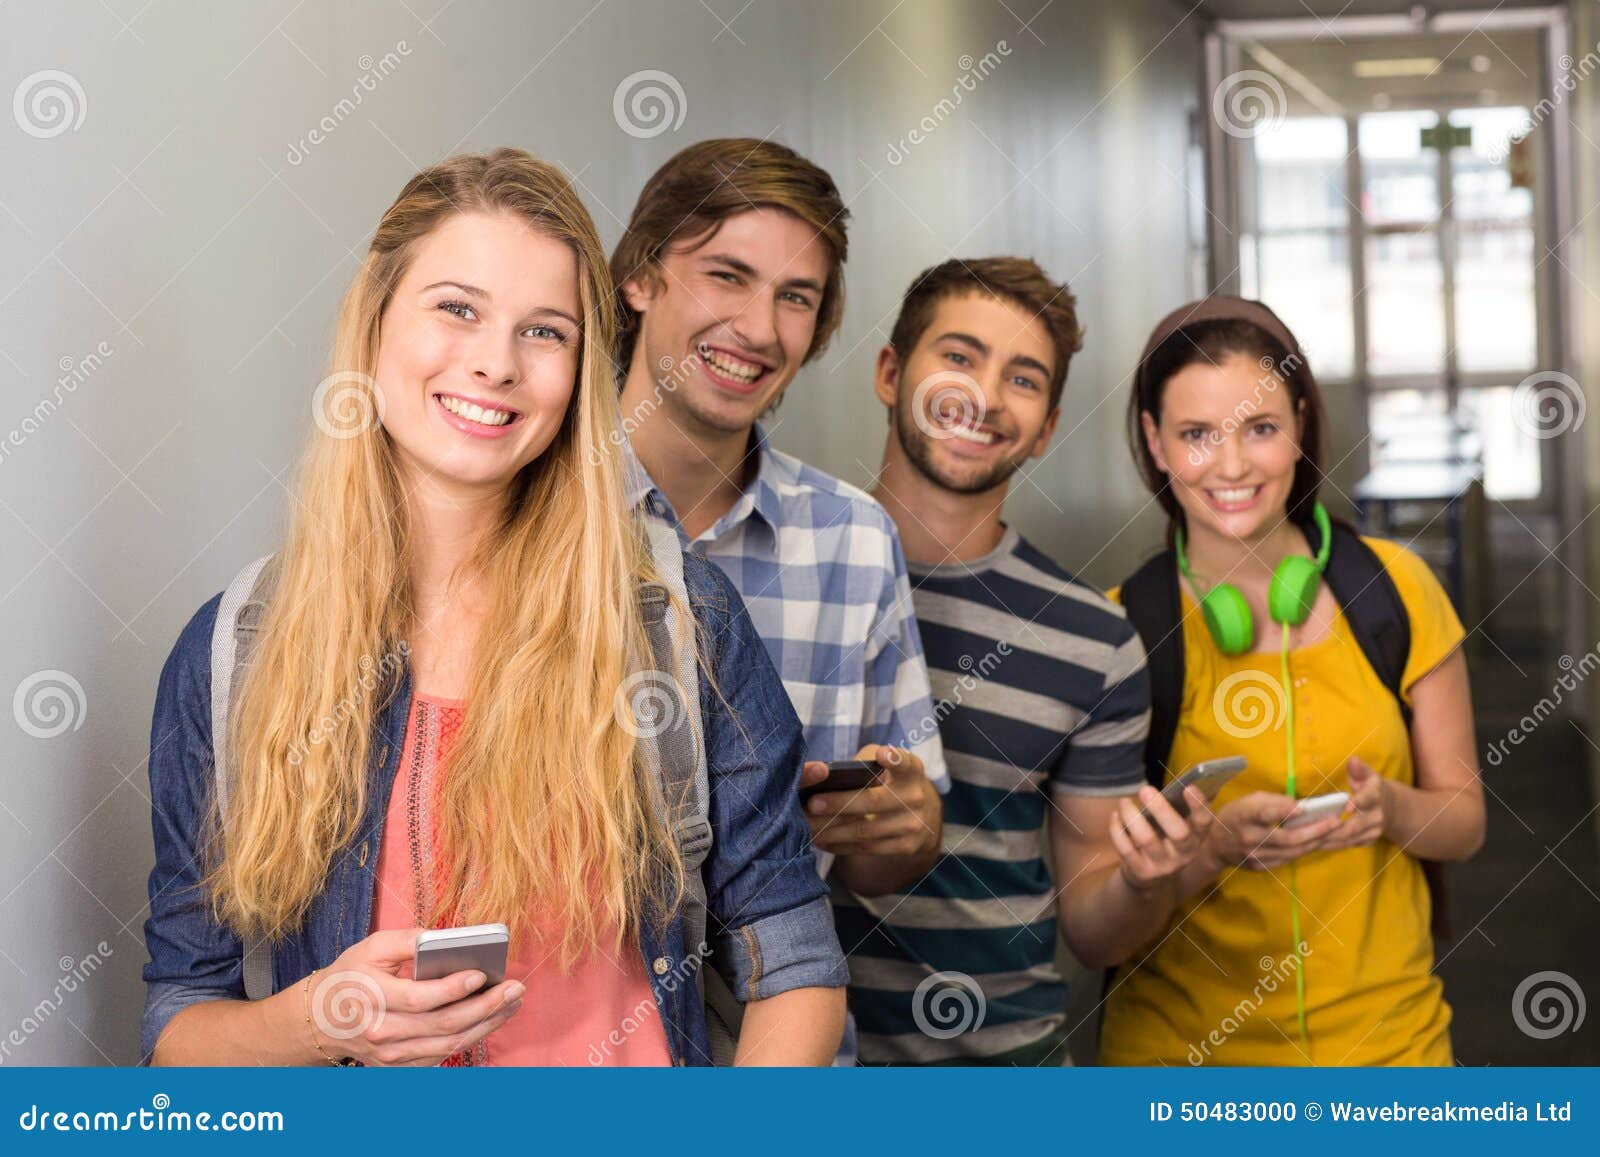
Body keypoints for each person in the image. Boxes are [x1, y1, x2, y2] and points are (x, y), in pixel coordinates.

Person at [140, 148, 847, 1068]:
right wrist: (318, 1019)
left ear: (581, 370)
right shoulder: (234, 648)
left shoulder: (680, 621)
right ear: (374, 321)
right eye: (457, 308)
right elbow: (180, 1023)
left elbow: (795, 965)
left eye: (544, 331)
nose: (495, 363)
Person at [609, 138, 949, 1063]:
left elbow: (890, 851)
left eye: (795, 297)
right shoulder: (521, 508)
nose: (759, 328)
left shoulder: (853, 538)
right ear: (640, 276)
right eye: (727, 276)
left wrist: (906, 825)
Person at [845, 257, 1214, 1065]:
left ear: (1045, 427)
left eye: (1022, 379)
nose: (983, 396)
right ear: (890, 372)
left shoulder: (1096, 640)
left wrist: (1145, 879)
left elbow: (1093, 930)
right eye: (959, 356)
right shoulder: (781, 576)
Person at [1102, 295, 1485, 1066]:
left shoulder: (1397, 589)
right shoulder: (1118, 633)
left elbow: (1465, 822)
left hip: (1390, 1054)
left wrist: (1390, 807)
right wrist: (1209, 851)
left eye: (1260, 428)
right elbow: (1093, 929)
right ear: (1154, 440)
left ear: (1301, 426)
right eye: (1197, 434)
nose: (1232, 466)